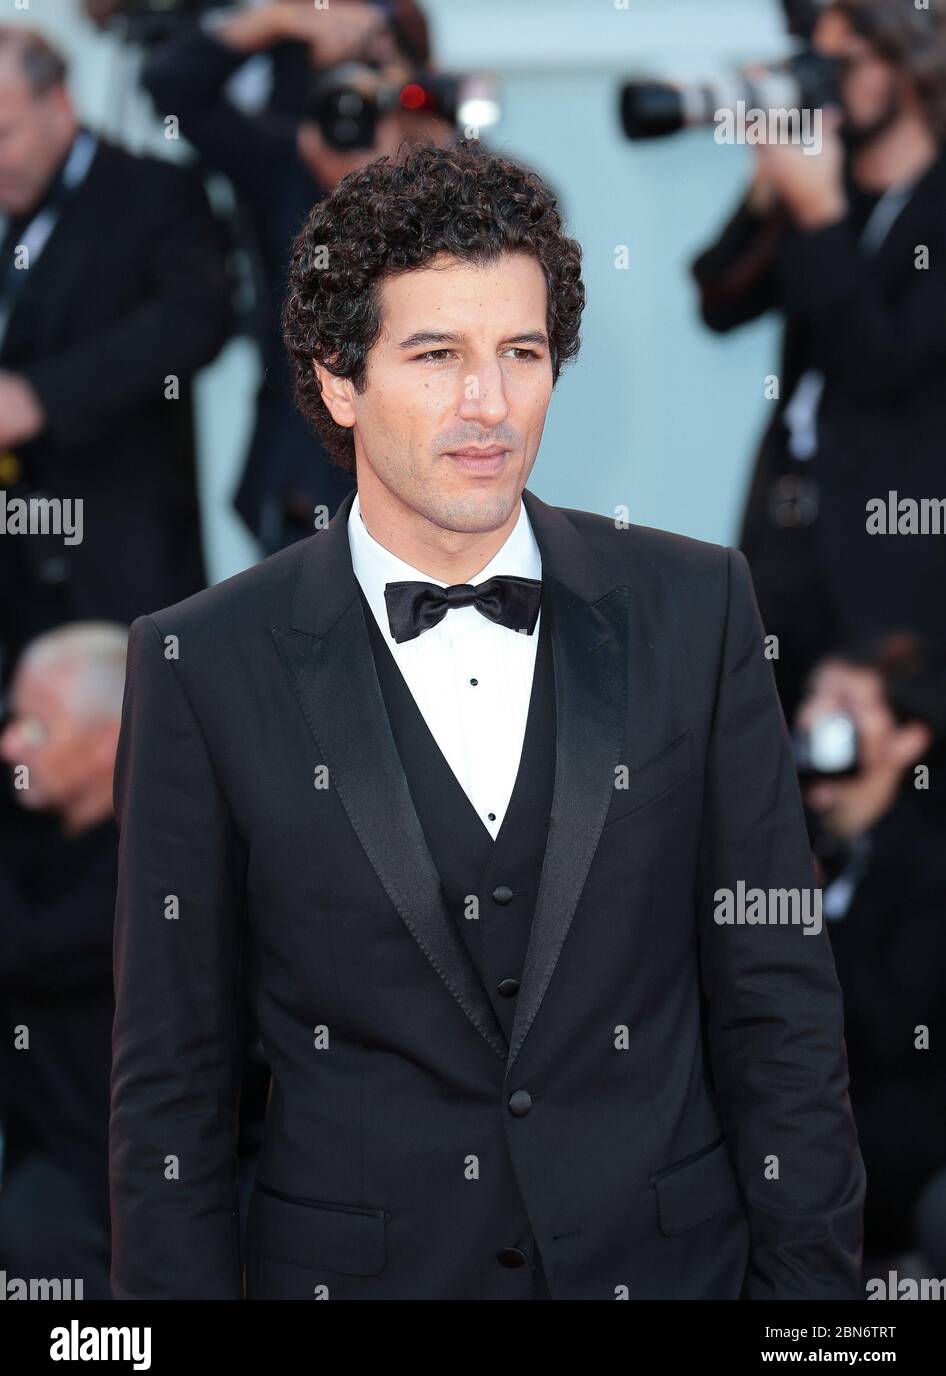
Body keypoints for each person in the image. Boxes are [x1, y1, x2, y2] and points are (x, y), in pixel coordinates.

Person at [109, 139, 865, 1301]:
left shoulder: (694, 605)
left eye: (521, 352)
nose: (489, 404)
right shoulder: (201, 660)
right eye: (436, 355)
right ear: (337, 376)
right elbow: (173, 1077)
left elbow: (779, 1008)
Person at [691, 0, 946, 723]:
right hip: (789, 531)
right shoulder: (824, 186)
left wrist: (822, 215)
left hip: (902, 544)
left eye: (846, 66)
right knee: (767, 760)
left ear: (911, 65)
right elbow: (719, 302)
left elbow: (883, 368)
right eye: (816, 63)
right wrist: (769, 186)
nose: (826, 85)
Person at [142, 0, 451, 555]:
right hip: (304, 466)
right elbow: (173, 83)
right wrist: (279, 19)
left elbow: (521, 235)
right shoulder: (283, 160)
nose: (353, 114)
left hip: (433, 457)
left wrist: (399, 173)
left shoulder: (454, 172)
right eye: (337, 92)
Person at [0, 26, 232, 681]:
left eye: (3, 133)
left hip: (117, 553)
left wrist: (40, 399)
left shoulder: (155, 193)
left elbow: (194, 324)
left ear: (58, 107)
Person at [794, 634, 946, 1270]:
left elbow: (894, 1032)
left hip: (885, 1149)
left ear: (908, 741)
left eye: (846, 702)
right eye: (813, 696)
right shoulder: (785, 829)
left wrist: (812, 913)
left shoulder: (927, 868)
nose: (815, 717)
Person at [0, 622, 128, 1300]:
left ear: (110, 737)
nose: (11, 744)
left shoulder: (152, 864)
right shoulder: (44, 851)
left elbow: (25, 947)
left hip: (108, 1197)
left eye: (36, 727)